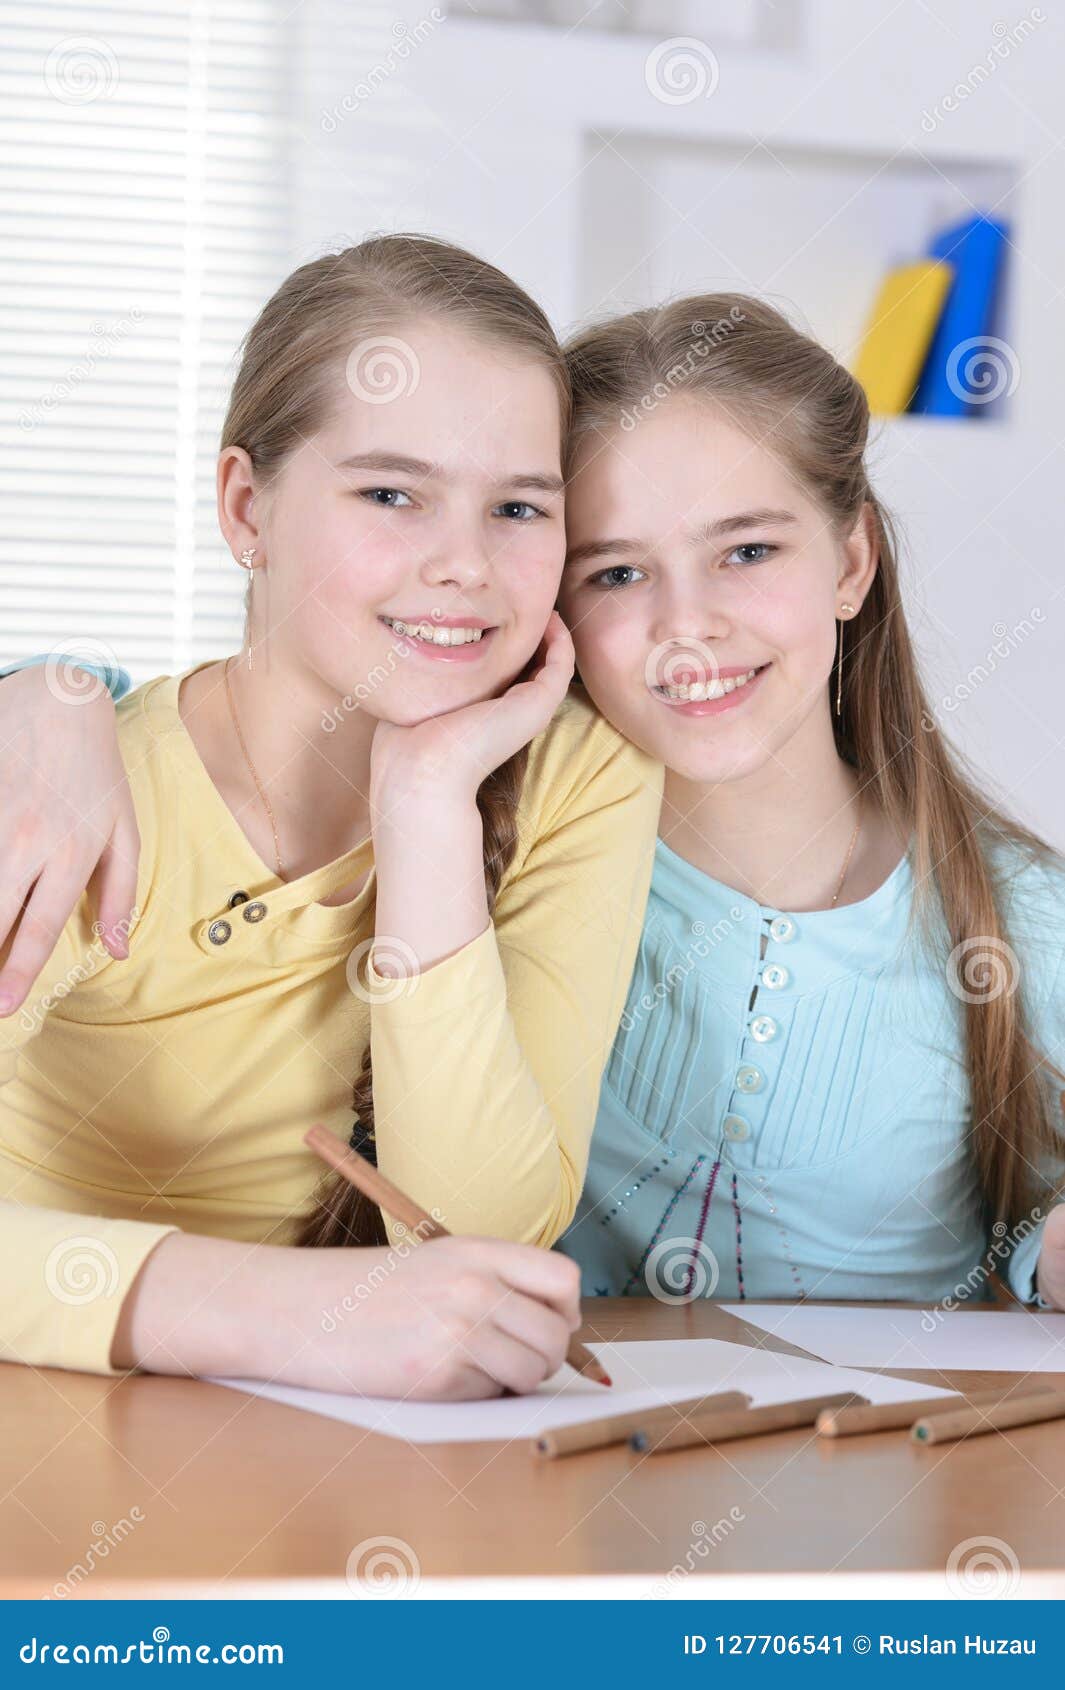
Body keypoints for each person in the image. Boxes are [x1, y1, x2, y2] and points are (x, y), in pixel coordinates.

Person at [0, 235, 663, 1393]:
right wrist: (291, 1315)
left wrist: (422, 806)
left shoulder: (573, 773)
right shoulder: (83, 783)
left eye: (518, 506)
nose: (464, 564)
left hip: (351, 1453)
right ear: (247, 505)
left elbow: (478, 1231)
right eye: (392, 494)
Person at [553, 293, 1065, 1309]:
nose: (686, 626)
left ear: (852, 561)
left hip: (894, 1464)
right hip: (547, 1462)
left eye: (747, 552)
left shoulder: (1017, 915)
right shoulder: (489, 863)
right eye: (617, 572)